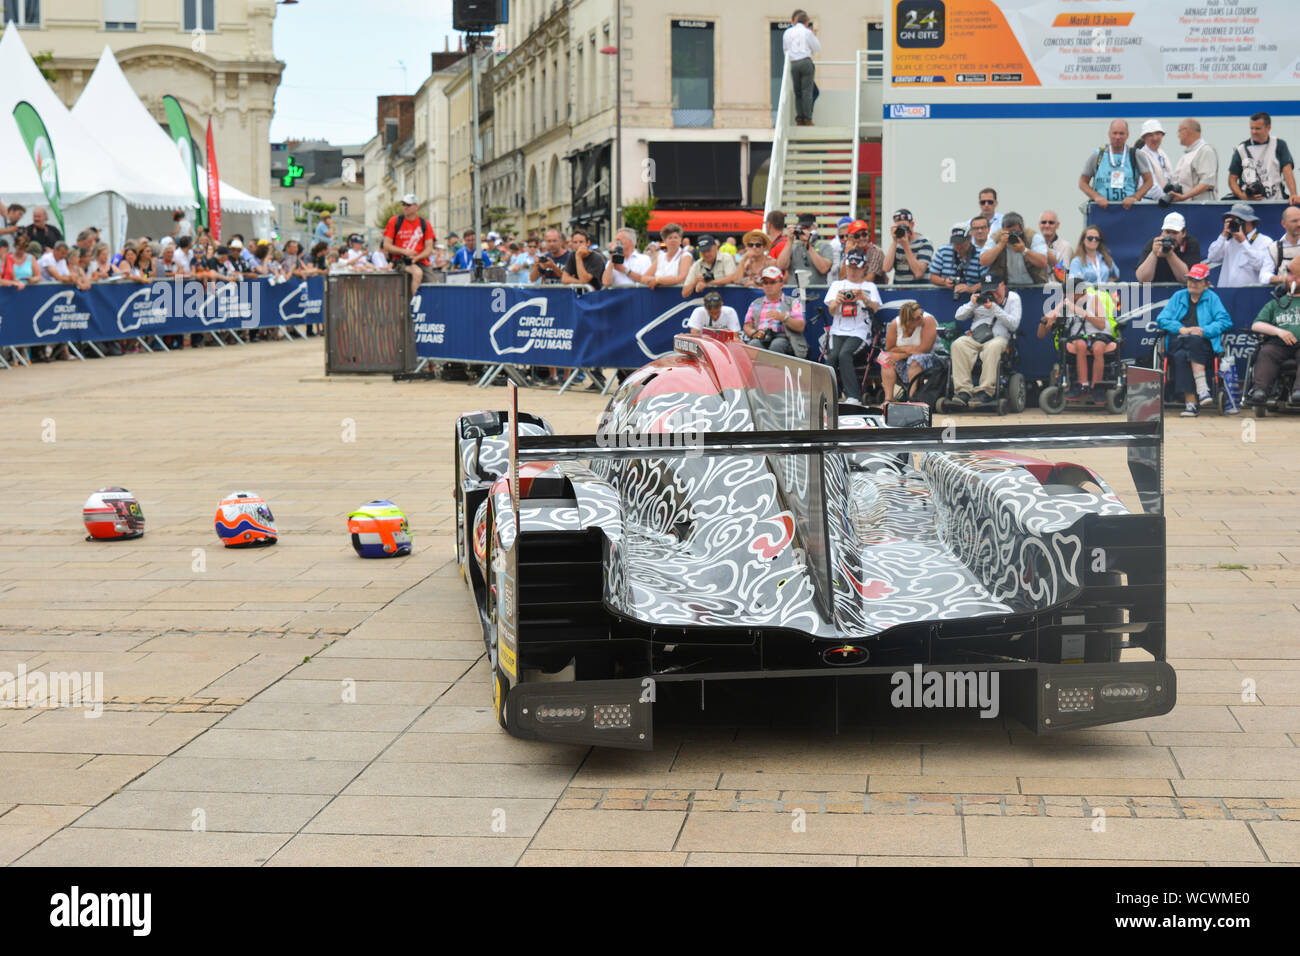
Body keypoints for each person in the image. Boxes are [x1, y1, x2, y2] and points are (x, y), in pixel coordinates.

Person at [1155, 263, 1233, 416]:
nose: (1192, 283)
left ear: (1206, 284)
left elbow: (1225, 321)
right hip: (1179, 340)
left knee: (1183, 353)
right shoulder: (1179, 296)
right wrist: (1180, 329)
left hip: (1204, 345)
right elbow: (1161, 319)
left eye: (1197, 281)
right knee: (1185, 345)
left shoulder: (1212, 298)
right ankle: (1202, 389)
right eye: (1190, 279)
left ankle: (1191, 404)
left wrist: (1204, 331)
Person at [950, 272, 1021, 406]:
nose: (992, 292)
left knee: (992, 347)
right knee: (958, 344)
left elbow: (1014, 324)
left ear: (1002, 285)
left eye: (995, 288)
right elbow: (958, 316)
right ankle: (963, 391)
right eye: (988, 289)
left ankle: (985, 391)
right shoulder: (980, 297)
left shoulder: (1013, 298)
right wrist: (972, 304)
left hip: (999, 338)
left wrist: (994, 308)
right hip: (976, 338)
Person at [1040, 283, 1119, 402]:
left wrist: (1081, 312)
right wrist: (1046, 321)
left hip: (1100, 334)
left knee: (1098, 348)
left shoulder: (1094, 299)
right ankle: (1083, 385)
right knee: (1080, 345)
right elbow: (1042, 333)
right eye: (1070, 295)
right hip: (1079, 337)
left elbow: (1102, 325)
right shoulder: (1065, 304)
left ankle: (1096, 387)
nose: (1074, 298)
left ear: (1084, 293)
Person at [824, 250, 883, 401]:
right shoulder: (837, 285)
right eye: (850, 267)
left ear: (864, 268)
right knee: (832, 357)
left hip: (859, 332)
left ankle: (853, 396)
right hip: (838, 331)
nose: (853, 271)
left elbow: (875, 308)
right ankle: (830, 395)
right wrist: (837, 301)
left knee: (844, 355)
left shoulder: (869, 286)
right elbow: (831, 310)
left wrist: (864, 298)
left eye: (857, 268)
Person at [1247, 258, 1300, 404]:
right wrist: (1279, 331)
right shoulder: (1275, 303)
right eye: (1290, 275)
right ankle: (1260, 391)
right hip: (1279, 344)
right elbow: (1256, 325)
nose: (1292, 279)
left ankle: (1298, 391)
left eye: (1296, 276)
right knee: (1266, 352)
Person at [1078, 119, 1153, 210]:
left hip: (1128, 209)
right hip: (1102, 210)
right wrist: (1096, 197)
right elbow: (1082, 182)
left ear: (1127, 135)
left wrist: (1135, 197)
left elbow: (1149, 181)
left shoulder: (1135, 155)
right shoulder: (1098, 155)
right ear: (1109, 134)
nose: (1118, 137)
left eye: (1121, 133)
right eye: (1115, 133)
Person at [1229, 111, 1299, 204]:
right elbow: (1232, 178)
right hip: (1249, 204)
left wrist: (1293, 194)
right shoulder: (1241, 149)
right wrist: (1242, 196)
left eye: (1258, 128)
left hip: (1276, 201)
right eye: (1251, 128)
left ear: (1268, 128)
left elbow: (1287, 170)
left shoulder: (1278, 144)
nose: (1254, 132)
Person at [880, 301, 940, 402]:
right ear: (907, 321)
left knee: (915, 359)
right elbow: (889, 347)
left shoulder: (928, 320)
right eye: (917, 318)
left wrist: (900, 355)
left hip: (932, 356)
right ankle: (888, 399)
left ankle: (911, 398)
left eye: (921, 314)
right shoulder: (895, 324)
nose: (921, 318)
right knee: (884, 357)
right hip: (908, 357)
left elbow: (924, 349)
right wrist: (907, 351)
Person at [381, 195, 436, 300]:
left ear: (416, 207)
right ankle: (415, 305)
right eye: (404, 204)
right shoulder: (395, 221)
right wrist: (405, 251)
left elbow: (429, 248)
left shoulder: (425, 224)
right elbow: (386, 245)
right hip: (400, 260)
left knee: (433, 284)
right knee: (417, 272)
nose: (405, 207)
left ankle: (429, 309)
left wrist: (417, 257)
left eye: (408, 205)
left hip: (420, 260)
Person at [743, 265, 806, 356]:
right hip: (762, 337)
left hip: (785, 338)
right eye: (765, 282)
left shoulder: (793, 303)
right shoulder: (755, 303)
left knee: (777, 345)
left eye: (772, 282)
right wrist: (754, 333)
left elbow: (800, 326)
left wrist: (783, 318)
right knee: (753, 344)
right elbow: (747, 326)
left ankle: (774, 370)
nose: (768, 285)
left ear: (781, 284)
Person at [1205, 202, 1272, 287]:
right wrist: (1224, 234)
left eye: (1237, 220)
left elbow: (1259, 265)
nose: (1234, 224)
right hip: (1226, 294)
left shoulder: (1265, 241)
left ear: (1249, 221)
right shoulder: (1229, 242)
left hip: (1251, 294)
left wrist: (1243, 242)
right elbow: (1212, 257)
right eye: (1231, 221)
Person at [980, 211, 1048, 285]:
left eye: (1015, 232)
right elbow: (983, 261)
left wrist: (1024, 251)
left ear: (1022, 230)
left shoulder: (1033, 237)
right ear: (1003, 230)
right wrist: (1000, 245)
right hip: (1006, 287)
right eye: (1009, 233)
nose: (1012, 235)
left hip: (1034, 285)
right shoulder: (997, 237)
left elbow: (1043, 262)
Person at [1135, 212, 1202, 284]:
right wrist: (1154, 253)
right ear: (1162, 232)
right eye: (1167, 232)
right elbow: (1142, 279)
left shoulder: (1191, 244)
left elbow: (1187, 279)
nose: (1170, 236)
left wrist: (1170, 255)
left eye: (1174, 233)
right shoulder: (1154, 244)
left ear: (1184, 233)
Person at [1165, 118, 1219, 203]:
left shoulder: (1205, 150)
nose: (1178, 135)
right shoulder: (1188, 153)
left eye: (1179, 131)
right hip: (1189, 205)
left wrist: (1184, 196)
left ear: (1186, 131)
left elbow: (1207, 182)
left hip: (1202, 206)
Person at [784, 10, 820, 126]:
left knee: (798, 92)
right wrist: (813, 35)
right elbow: (817, 48)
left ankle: (799, 118)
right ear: (806, 22)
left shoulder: (787, 32)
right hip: (805, 61)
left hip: (794, 63)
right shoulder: (807, 32)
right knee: (807, 92)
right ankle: (807, 119)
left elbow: (785, 50)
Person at [929, 222, 984, 294]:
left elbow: (987, 281)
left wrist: (971, 288)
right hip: (945, 296)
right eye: (955, 242)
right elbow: (932, 277)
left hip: (973, 298)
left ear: (969, 238)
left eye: (961, 242)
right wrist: (944, 281)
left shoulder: (981, 254)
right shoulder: (943, 251)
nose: (958, 246)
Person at [884, 209, 932, 285]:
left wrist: (906, 246)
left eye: (903, 226)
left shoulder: (924, 242)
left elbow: (919, 273)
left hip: (919, 291)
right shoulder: (897, 243)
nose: (902, 230)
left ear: (912, 225)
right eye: (898, 227)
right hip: (899, 290)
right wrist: (894, 241)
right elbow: (886, 268)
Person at [787, 214, 834, 284]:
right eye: (801, 228)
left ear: (815, 228)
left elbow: (824, 269)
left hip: (816, 293)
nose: (804, 231)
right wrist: (789, 241)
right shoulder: (793, 247)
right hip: (794, 292)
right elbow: (781, 266)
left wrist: (808, 245)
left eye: (807, 227)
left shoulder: (825, 247)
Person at [1136, 119, 1174, 200]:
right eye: (1150, 135)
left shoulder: (1162, 153)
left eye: (1158, 134)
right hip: (1150, 203)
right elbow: (1150, 186)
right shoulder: (1141, 155)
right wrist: (1166, 197)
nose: (1155, 138)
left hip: (1164, 201)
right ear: (1144, 137)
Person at [646, 223, 692, 288]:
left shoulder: (686, 256)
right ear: (664, 241)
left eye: (676, 237)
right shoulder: (660, 257)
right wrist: (669, 279)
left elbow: (682, 278)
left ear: (680, 240)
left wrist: (658, 280)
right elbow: (646, 276)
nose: (673, 240)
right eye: (670, 238)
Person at [1264, 206, 1300, 284]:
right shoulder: (1274, 248)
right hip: (1285, 294)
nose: (1299, 224)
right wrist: (1283, 279)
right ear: (1284, 224)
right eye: (1294, 221)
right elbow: (1264, 275)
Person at [1037, 211, 1073, 278]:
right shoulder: (1033, 244)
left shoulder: (1066, 247)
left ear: (1057, 225)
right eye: (1043, 222)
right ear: (1039, 224)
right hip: (1036, 287)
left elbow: (1064, 276)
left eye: (1051, 223)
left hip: (1056, 287)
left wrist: (1052, 260)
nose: (1047, 225)